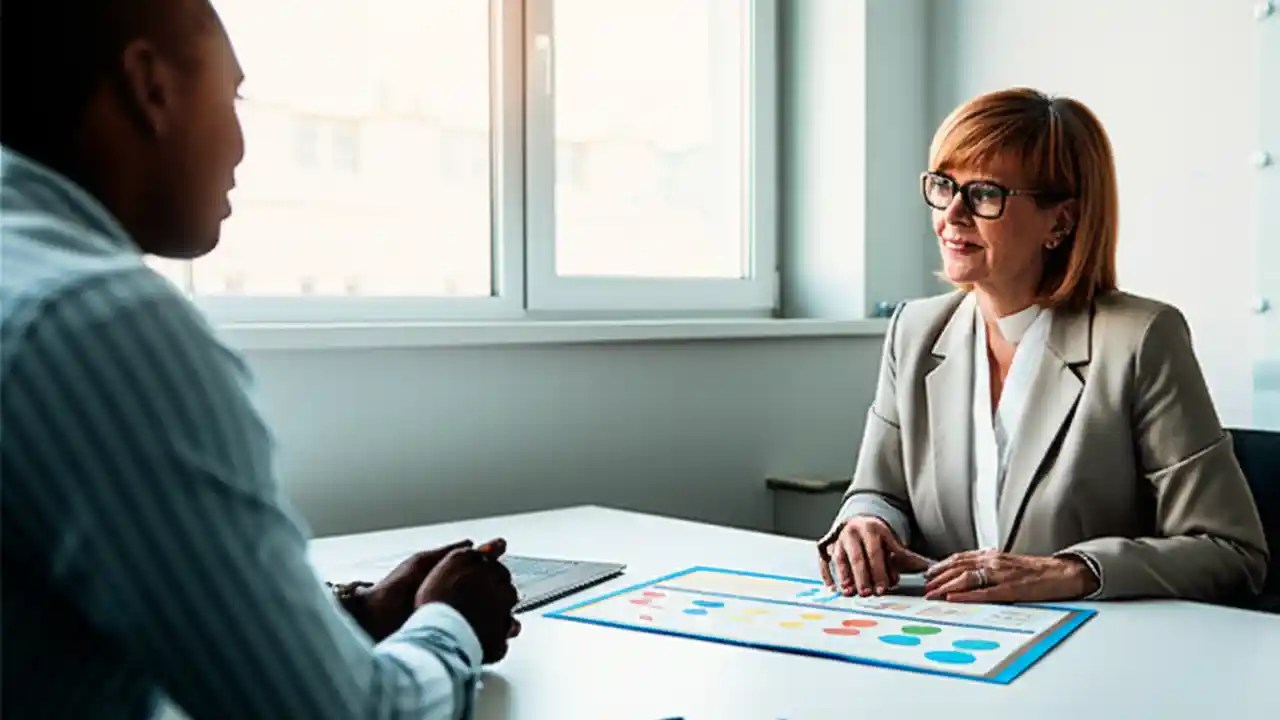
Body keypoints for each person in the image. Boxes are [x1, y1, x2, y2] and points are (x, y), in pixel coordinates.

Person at [0, 1, 519, 718]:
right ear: (150, 86)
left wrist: (356, 617)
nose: (242, 147)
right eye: (233, 96)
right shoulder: (101, 321)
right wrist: (454, 626)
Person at [817, 87, 1268, 604]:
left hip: (1099, 652)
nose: (952, 215)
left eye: (985, 194)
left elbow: (1231, 551)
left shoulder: (1141, 339)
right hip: (950, 642)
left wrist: (1073, 572)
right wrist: (865, 523)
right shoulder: (915, 330)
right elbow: (878, 489)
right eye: (945, 185)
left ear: (1061, 221)